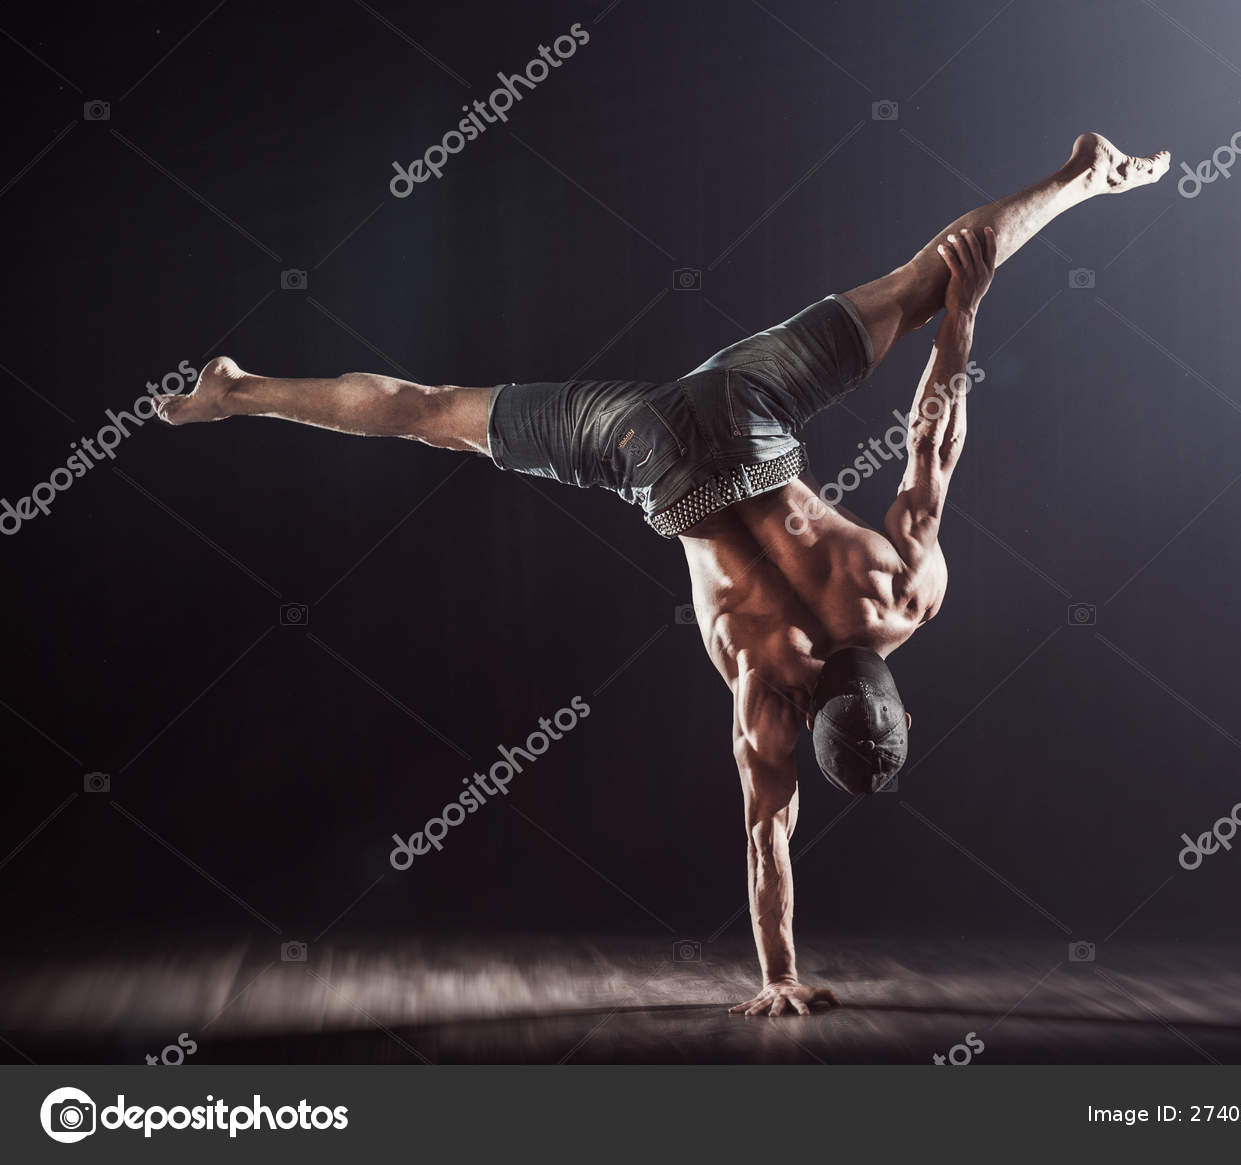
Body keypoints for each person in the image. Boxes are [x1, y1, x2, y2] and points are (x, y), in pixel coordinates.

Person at [158, 132, 1169, 1016]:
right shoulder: (766, 697)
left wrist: (963, 314)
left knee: (925, 277)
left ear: (900, 699)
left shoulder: (904, 592)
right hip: (653, 454)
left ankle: (1081, 177)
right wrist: (779, 975)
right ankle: (237, 393)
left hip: (748, 409)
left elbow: (932, 440)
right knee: (433, 415)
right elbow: (768, 840)